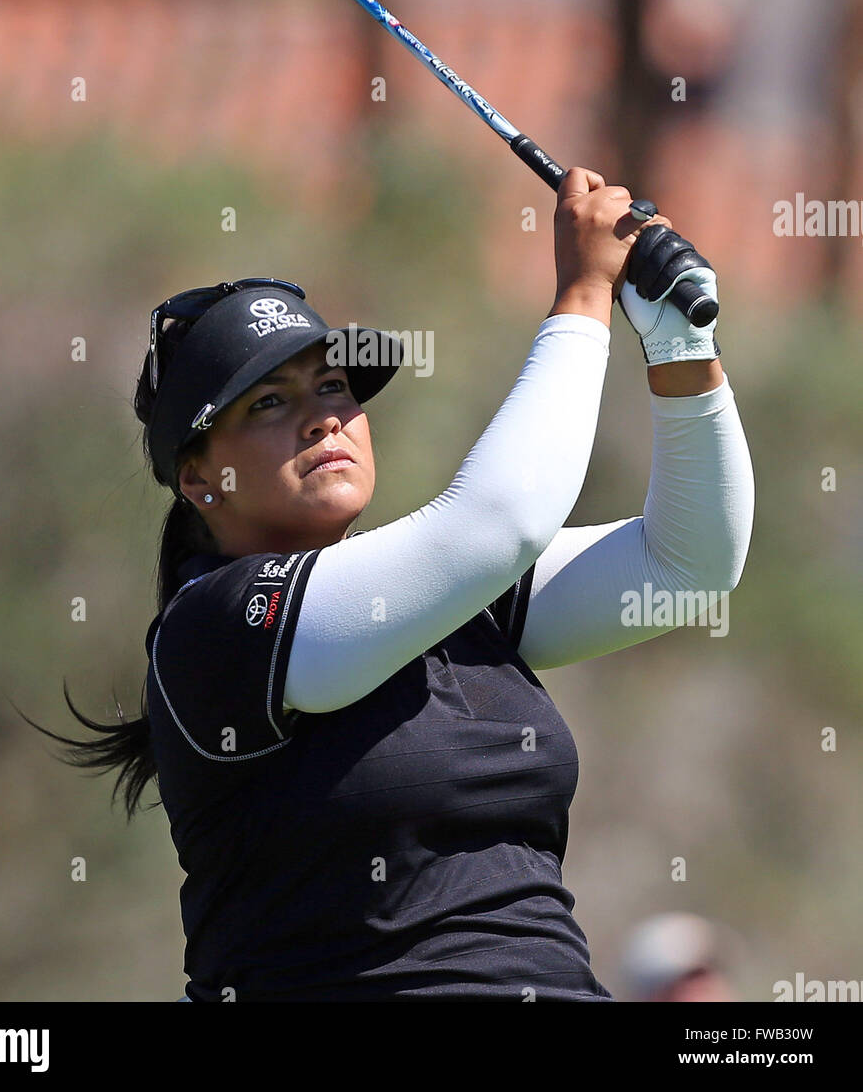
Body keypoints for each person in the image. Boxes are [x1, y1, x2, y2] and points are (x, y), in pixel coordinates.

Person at [39, 167, 755, 1001]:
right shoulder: (218, 625)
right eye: (268, 403)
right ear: (199, 478)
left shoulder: (455, 600)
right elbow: (499, 523)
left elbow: (685, 567)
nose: (323, 417)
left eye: (334, 387)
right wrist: (582, 295)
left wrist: (678, 343)